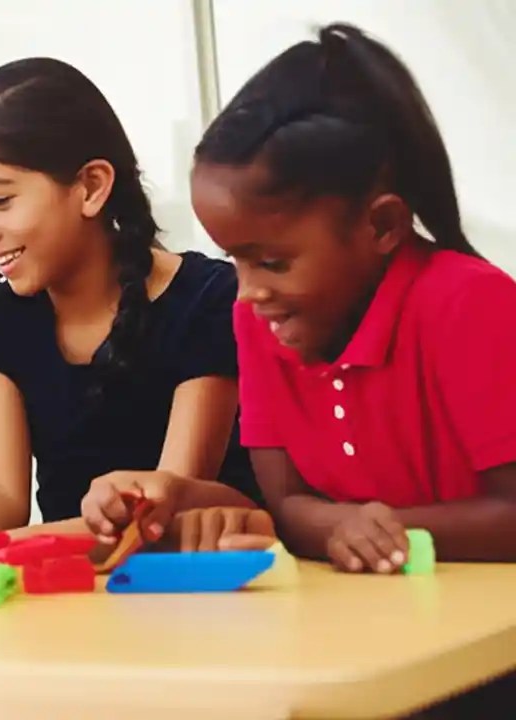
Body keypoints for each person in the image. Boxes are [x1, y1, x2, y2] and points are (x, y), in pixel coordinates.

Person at [0, 58, 265, 553]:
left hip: (196, 584)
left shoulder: (205, 300)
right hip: (74, 589)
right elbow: (3, 499)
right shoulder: (3, 317)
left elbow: (160, 509)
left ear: (92, 186)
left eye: (0, 200)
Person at [191, 23, 516, 572]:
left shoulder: (470, 303)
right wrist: (341, 525)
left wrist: (372, 528)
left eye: (272, 262)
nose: (248, 291)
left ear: (383, 225)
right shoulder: (260, 321)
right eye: (234, 260)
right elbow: (288, 505)